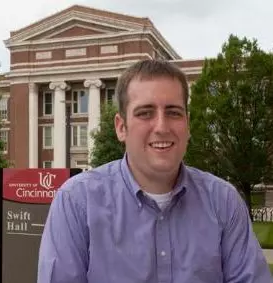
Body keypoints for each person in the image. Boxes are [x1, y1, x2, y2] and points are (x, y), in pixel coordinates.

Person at [37, 59, 272, 283]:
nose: (161, 127)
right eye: (145, 113)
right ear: (121, 127)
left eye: (173, 112)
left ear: (187, 125)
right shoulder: (77, 202)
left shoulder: (224, 201)